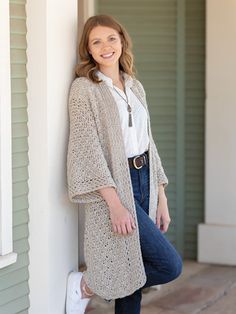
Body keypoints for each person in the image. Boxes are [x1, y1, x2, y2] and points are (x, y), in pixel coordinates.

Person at [66, 14, 182, 314]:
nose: (105, 46)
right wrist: (115, 204)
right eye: (96, 41)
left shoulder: (135, 86)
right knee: (170, 265)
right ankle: (90, 284)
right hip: (116, 184)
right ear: (88, 50)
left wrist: (162, 195)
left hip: (145, 181)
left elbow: (148, 142)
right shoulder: (84, 89)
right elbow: (87, 149)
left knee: (132, 272)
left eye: (111, 38)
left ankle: (98, 286)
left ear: (122, 41)